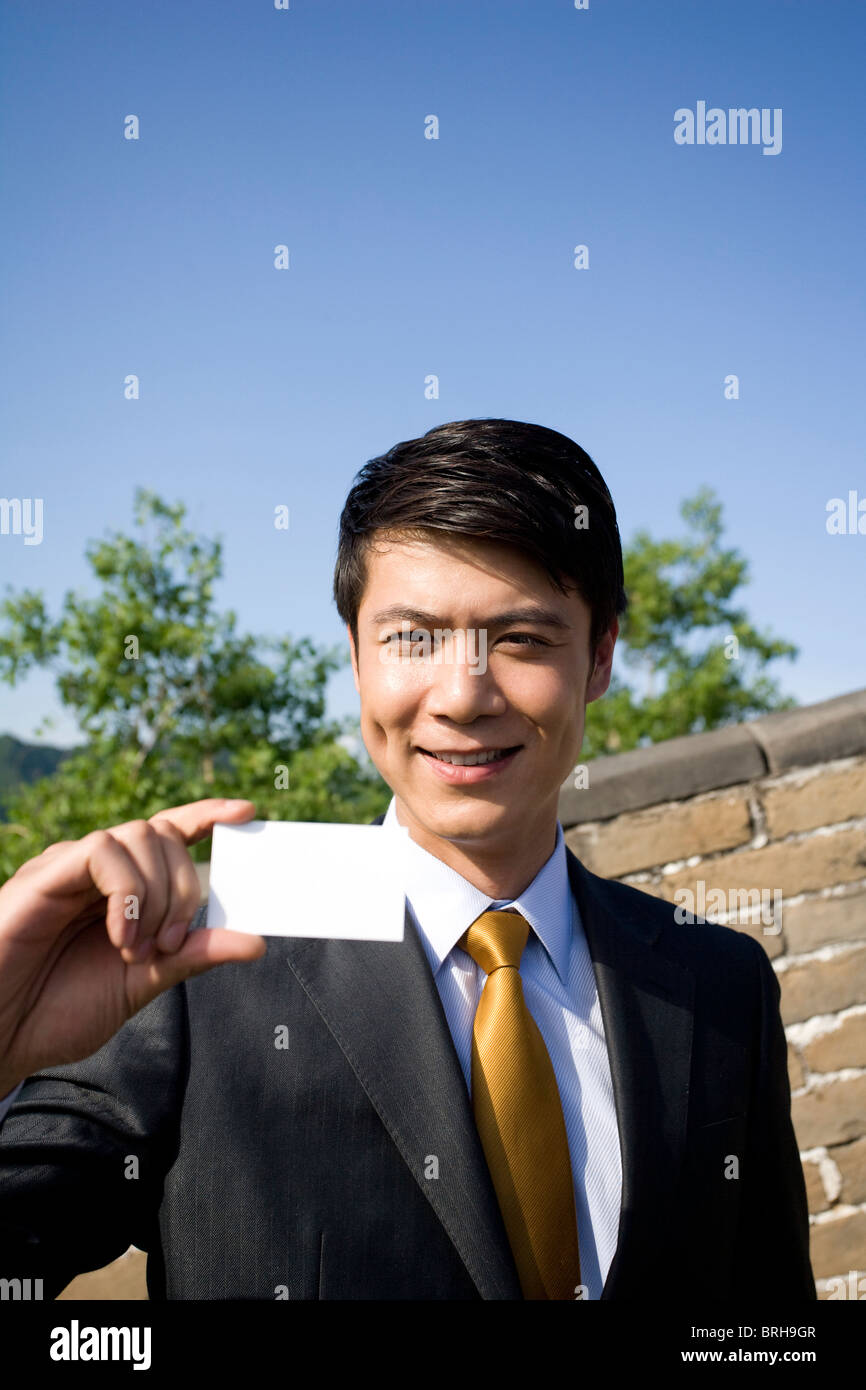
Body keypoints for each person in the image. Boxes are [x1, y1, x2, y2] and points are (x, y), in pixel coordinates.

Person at [0, 418, 814, 1300]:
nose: (463, 695)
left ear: (600, 657)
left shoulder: (718, 979)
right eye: (412, 637)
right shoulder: (199, 948)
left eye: (524, 639)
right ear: (355, 656)